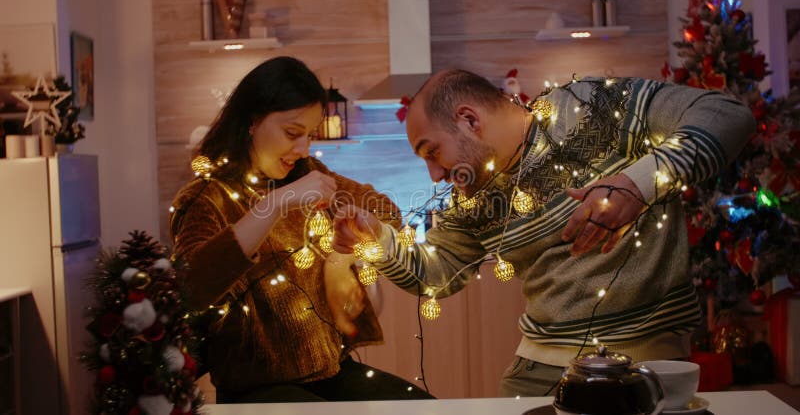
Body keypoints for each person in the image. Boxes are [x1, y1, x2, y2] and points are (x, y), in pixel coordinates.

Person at [332, 69, 755, 396]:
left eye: (432, 152)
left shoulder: (594, 105)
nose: (436, 174)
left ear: (468, 120)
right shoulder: (473, 195)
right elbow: (434, 276)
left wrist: (637, 184)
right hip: (536, 373)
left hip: (645, 365)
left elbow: (728, 115)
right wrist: (375, 240)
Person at [169, 56, 433, 403]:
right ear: (251, 120)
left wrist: (346, 251)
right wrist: (276, 203)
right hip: (256, 392)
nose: (303, 149)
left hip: (333, 375)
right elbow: (191, 288)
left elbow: (386, 209)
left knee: (423, 409)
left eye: (309, 135)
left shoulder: (308, 174)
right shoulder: (207, 198)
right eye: (292, 133)